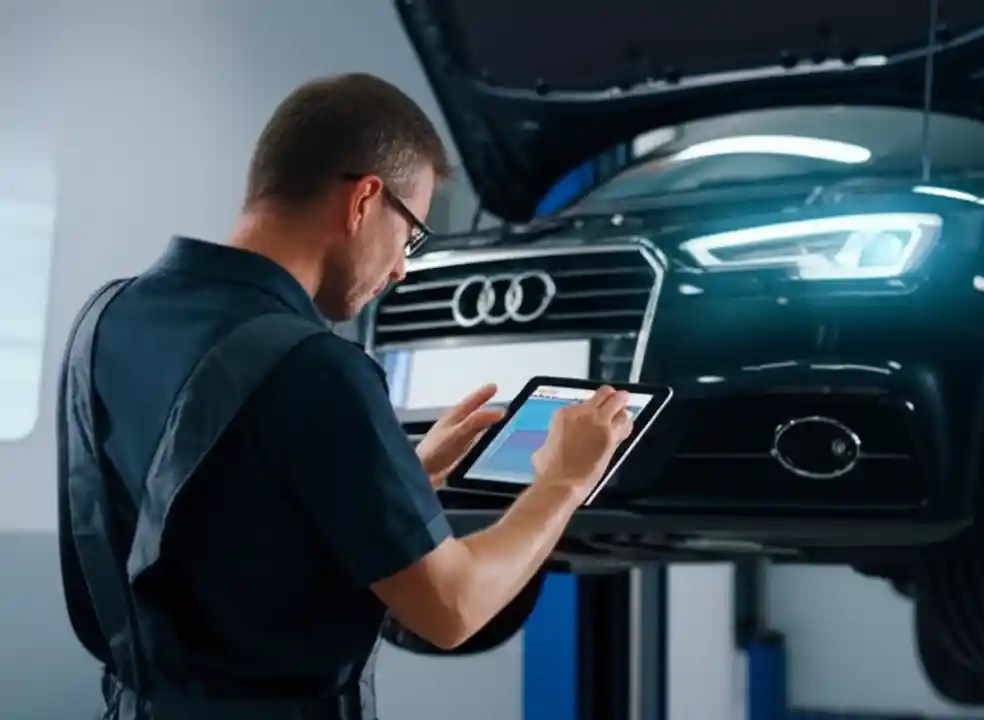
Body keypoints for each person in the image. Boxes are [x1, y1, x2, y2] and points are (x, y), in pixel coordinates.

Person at [55, 72, 634, 719]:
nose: (399, 269)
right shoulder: (318, 368)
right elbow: (453, 608)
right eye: (410, 235)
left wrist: (401, 478)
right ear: (363, 200)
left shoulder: (103, 319)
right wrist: (562, 482)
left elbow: (222, 525)